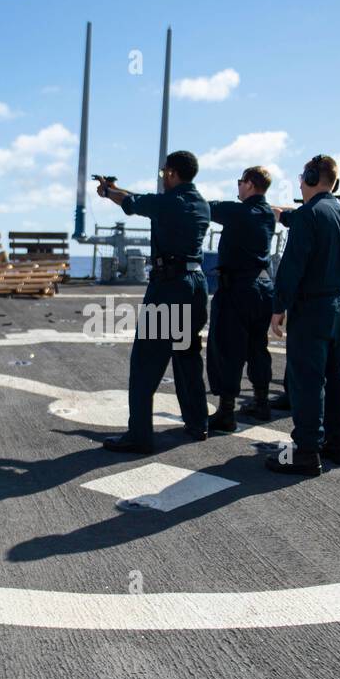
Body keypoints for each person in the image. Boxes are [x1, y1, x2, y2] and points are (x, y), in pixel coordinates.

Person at [94, 150, 210, 452]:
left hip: (169, 288)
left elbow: (133, 204)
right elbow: (147, 200)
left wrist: (108, 192)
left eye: (163, 175)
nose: (162, 179)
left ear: (172, 173)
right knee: (186, 355)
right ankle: (198, 423)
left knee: (145, 362)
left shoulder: (168, 204)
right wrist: (118, 189)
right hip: (195, 286)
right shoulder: (199, 203)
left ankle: (140, 436)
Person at [267, 155, 340, 475]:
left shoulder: (308, 216)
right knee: (339, 374)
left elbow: (292, 267)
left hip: (313, 308)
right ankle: (339, 442)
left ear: (308, 177)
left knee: (307, 379)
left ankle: (306, 450)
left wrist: (278, 307)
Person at [206, 166, 276, 430]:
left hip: (237, 288)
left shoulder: (238, 213)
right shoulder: (267, 214)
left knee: (228, 349)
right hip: (262, 286)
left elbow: (205, 206)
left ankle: (226, 412)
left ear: (249, 184)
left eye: (240, 182)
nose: (238, 186)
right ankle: (261, 403)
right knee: (258, 347)